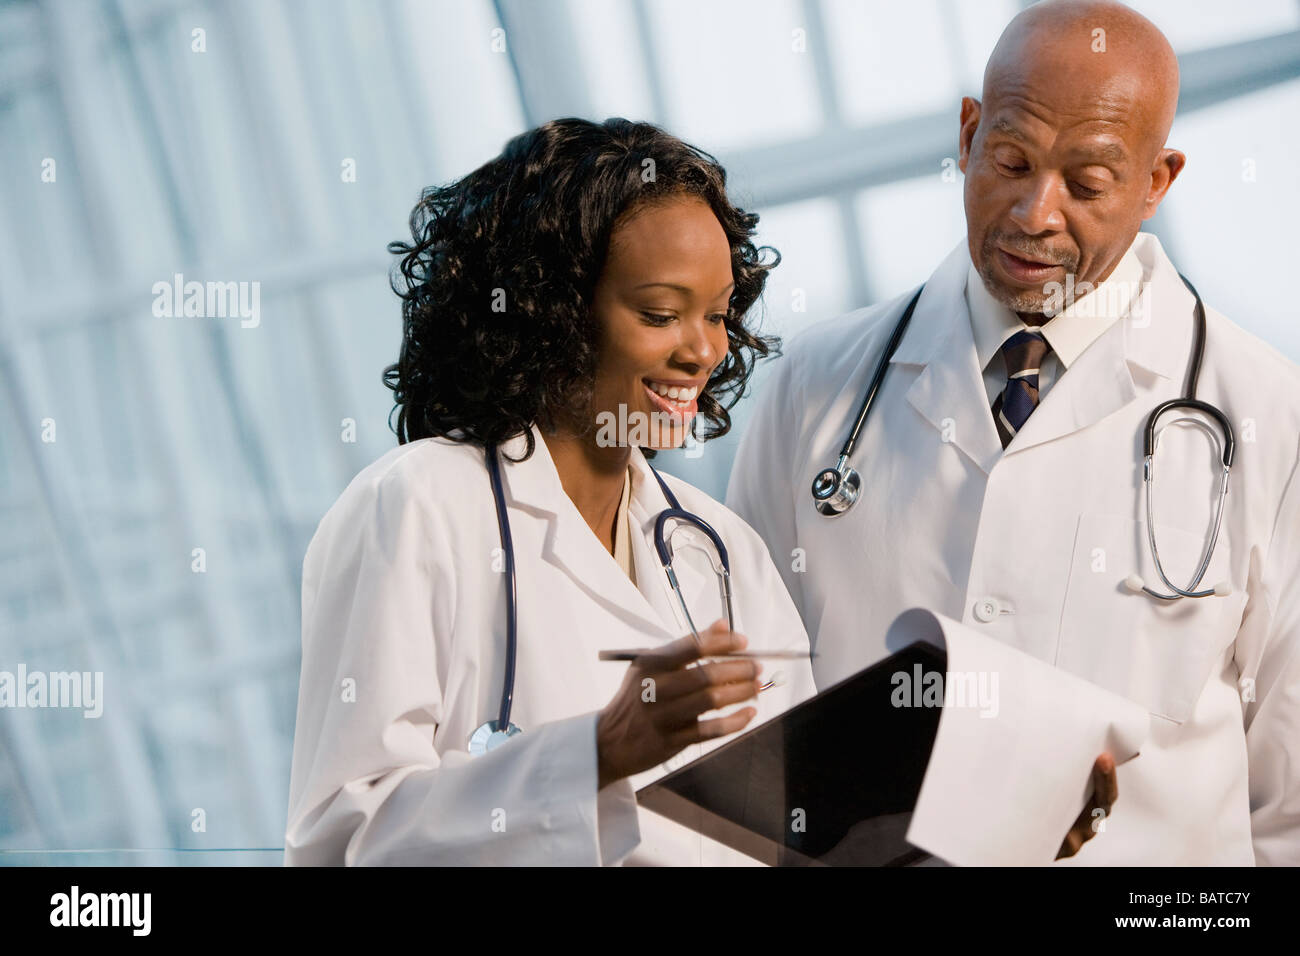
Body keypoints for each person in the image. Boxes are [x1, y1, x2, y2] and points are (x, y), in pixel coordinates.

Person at [727, 0, 1300, 865]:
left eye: (1089, 182)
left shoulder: (1265, 412)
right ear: (966, 135)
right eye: (1010, 159)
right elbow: (752, 713)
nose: (1036, 213)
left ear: (1158, 182)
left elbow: (1288, 797)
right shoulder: (815, 385)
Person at [284, 117, 815, 866]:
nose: (702, 351)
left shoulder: (721, 550)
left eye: (719, 315)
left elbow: (800, 832)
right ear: (555, 311)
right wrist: (597, 752)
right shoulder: (419, 506)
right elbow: (342, 841)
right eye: (661, 314)